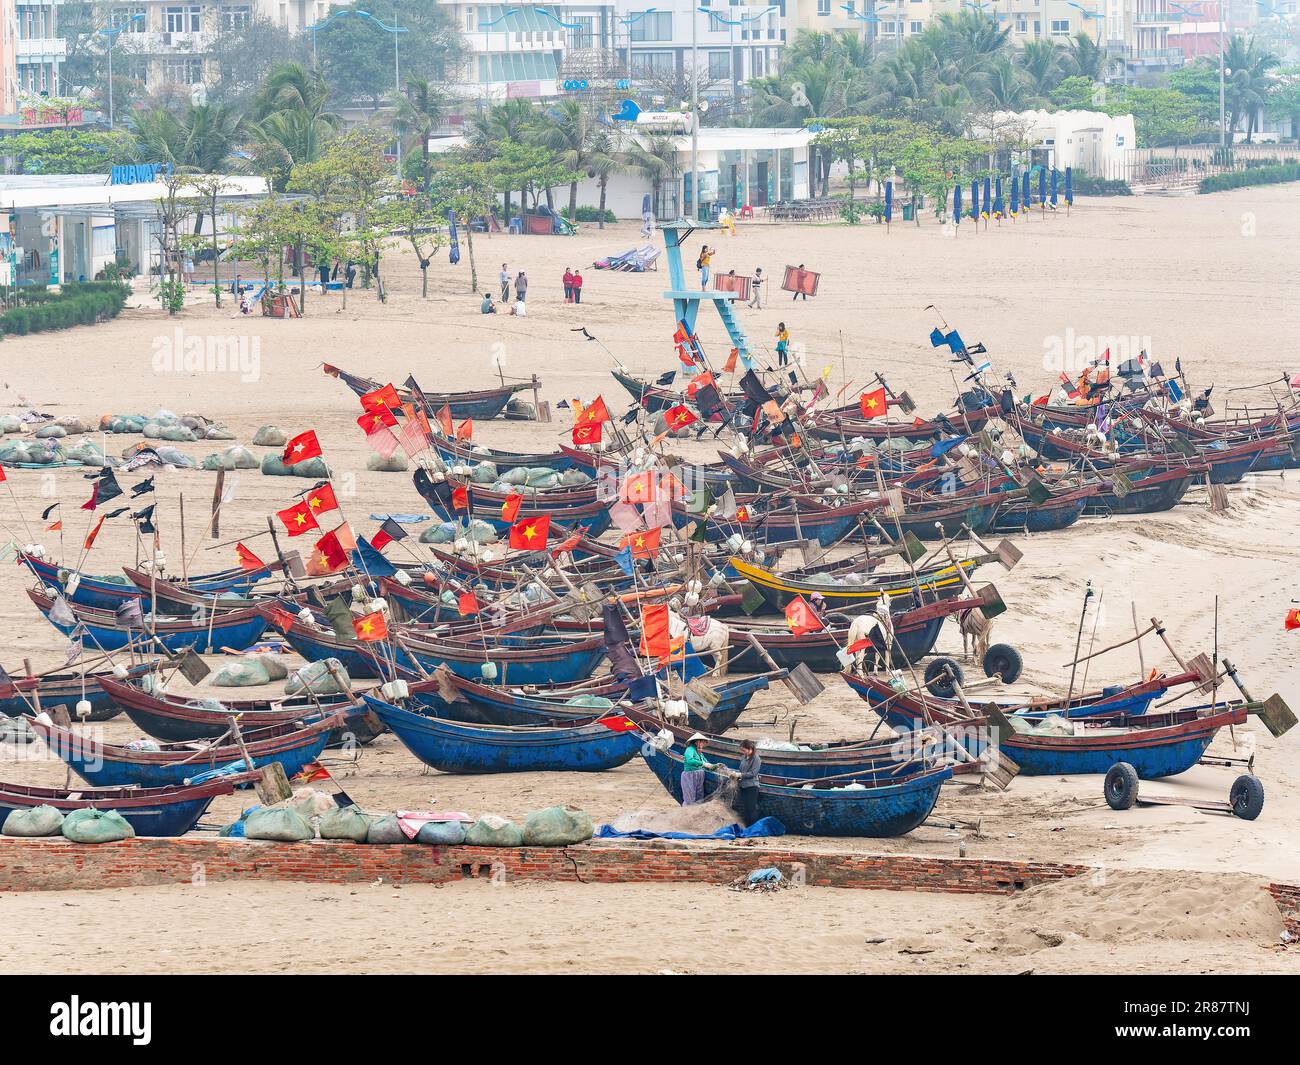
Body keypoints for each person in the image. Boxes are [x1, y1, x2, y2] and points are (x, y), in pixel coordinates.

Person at [681, 733, 715, 806]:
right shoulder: (690, 749)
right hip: (690, 775)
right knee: (689, 798)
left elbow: (706, 763)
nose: (703, 744)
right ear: (697, 742)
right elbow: (689, 760)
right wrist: (702, 764)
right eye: (702, 742)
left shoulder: (699, 752)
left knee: (699, 797)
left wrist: (715, 766)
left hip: (699, 775)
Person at [737, 739, 762, 826]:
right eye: (742, 751)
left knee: (751, 808)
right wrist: (737, 775)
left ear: (750, 748)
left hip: (752, 786)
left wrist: (740, 775)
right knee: (745, 808)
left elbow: (753, 773)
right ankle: (746, 826)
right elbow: (741, 769)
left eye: (744, 750)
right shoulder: (744, 757)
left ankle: (752, 827)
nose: (743, 752)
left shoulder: (756, 759)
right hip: (743, 786)